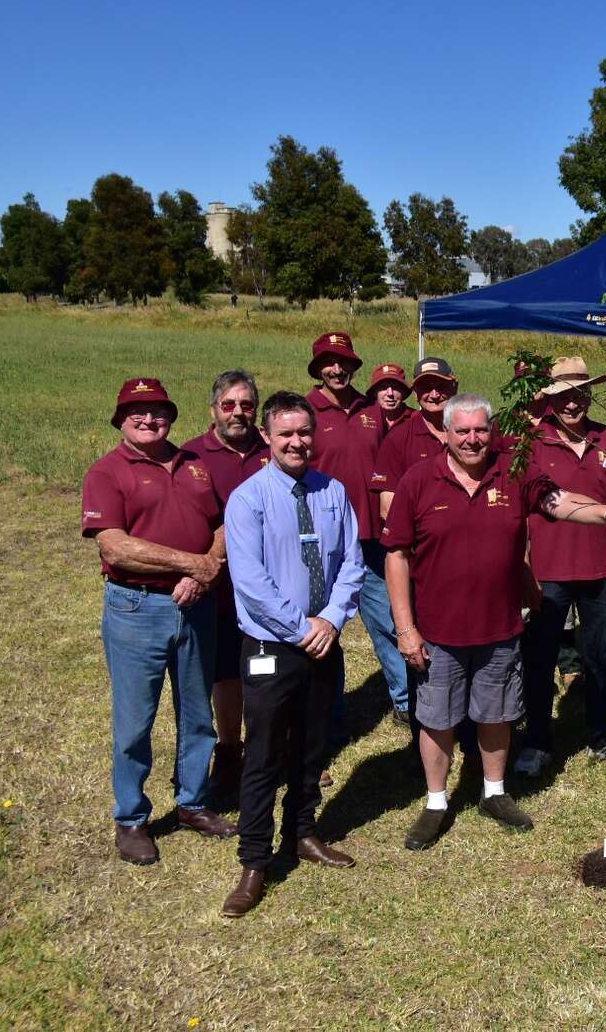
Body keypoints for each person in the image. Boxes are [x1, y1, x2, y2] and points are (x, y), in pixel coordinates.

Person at [385, 394, 606, 851]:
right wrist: (405, 628)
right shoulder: (418, 481)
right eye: (461, 430)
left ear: (492, 431)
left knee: (497, 712)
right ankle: (437, 801)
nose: (472, 439)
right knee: (438, 719)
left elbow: (559, 502)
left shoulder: (513, 469)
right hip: (438, 631)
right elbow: (397, 556)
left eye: (480, 429)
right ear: (444, 433)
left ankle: (494, 792)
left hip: (500, 626)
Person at [220, 392, 365, 917]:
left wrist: (331, 619)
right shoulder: (248, 499)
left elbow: (352, 560)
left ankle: (302, 832)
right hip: (271, 645)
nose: (297, 442)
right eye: (286, 434)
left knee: (312, 746)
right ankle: (255, 860)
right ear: (267, 437)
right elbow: (251, 580)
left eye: (304, 432)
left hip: (323, 641)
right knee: (263, 756)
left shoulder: (333, 492)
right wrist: (300, 626)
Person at [82, 378, 236, 867]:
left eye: (158, 411)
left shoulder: (193, 464)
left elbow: (220, 523)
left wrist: (207, 569)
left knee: (197, 711)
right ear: (120, 420)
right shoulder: (107, 472)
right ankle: (131, 818)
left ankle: (193, 801)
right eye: (137, 413)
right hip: (137, 608)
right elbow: (115, 545)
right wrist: (191, 565)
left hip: (197, 604)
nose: (149, 420)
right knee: (135, 720)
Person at [519, 357, 606, 773]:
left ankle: (603, 735)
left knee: (601, 655)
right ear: (550, 399)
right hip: (547, 570)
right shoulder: (532, 441)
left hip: (599, 567)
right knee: (540, 656)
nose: (573, 404)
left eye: (580, 395)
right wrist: (524, 564)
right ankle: (536, 741)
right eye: (564, 396)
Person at [304, 332, 408, 725]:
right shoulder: (306, 412)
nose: (338, 369)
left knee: (388, 619)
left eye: (345, 362)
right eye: (330, 363)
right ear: (317, 369)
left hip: (371, 536)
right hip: (322, 539)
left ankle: (405, 702)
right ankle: (327, 714)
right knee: (321, 627)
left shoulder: (372, 410)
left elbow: (389, 465)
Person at [181, 370, 271, 799]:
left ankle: (273, 748)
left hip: (271, 582)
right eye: (229, 404)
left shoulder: (272, 449)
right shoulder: (190, 456)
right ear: (213, 409)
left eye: (247, 404)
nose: (238, 412)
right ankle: (230, 752)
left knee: (270, 670)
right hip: (219, 584)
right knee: (226, 673)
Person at [371, 357, 457, 523]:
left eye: (441, 387)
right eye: (426, 388)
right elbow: (387, 507)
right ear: (416, 392)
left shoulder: (470, 432)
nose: (434, 395)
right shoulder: (398, 438)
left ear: (454, 387)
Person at [368, 363, 414, 429]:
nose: (390, 393)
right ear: (375, 392)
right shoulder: (365, 419)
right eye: (383, 387)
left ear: (403, 392)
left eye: (395, 387)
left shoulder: (416, 419)